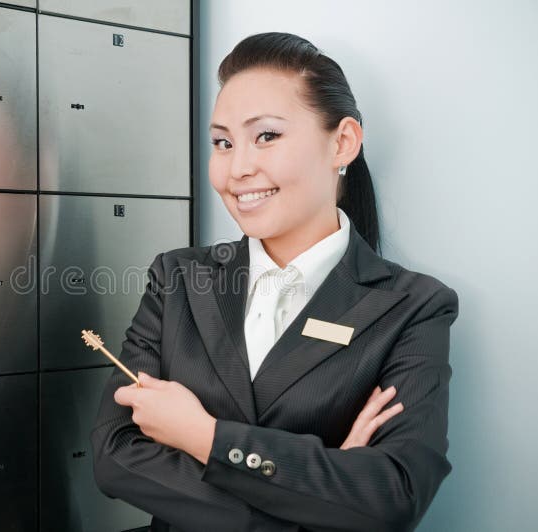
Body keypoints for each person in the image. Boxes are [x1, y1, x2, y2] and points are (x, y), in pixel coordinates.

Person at [90, 32, 459, 532]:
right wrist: (315, 507)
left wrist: (203, 436)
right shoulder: (177, 278)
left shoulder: (412, 306)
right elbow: (116, 454)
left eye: (266, 136)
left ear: (342, 142)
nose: (238, 168)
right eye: (223, 142)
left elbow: (393, 494)